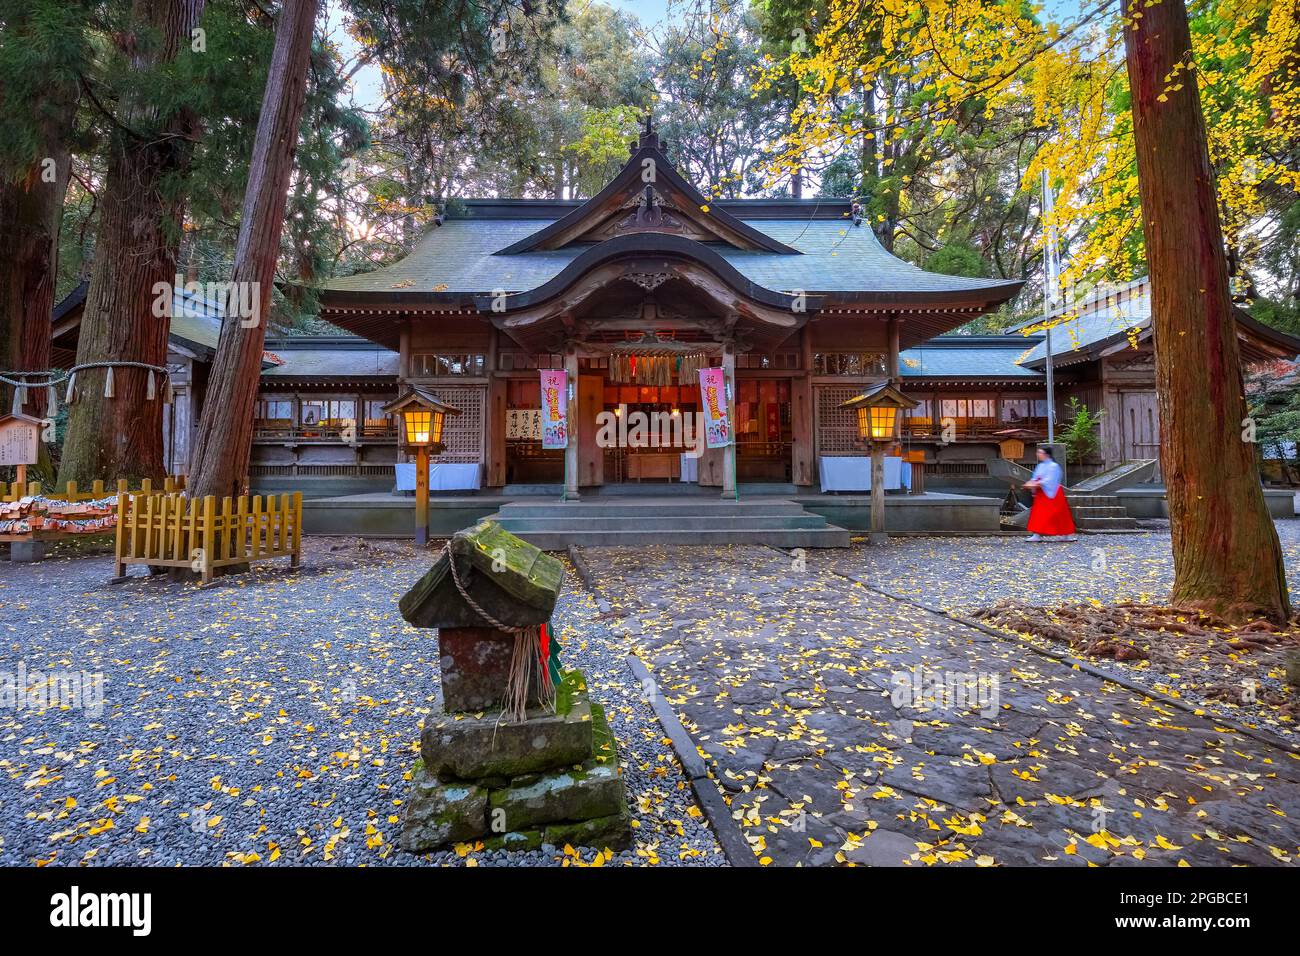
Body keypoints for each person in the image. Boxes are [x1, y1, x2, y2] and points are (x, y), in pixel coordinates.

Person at [1023, 446, 1077, 541]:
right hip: (1041, 492)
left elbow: (1051, 480)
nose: (1038, 454)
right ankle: (1037, 534)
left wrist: (1037, 483)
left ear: (1046, 454)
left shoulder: (1054, 466)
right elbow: (1035, 477)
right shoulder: (1040, 466)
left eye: (1040, 452)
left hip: (1053, 492)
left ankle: (1067, 534)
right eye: (1038, 452)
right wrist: (1031, 482)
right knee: (1038, 513)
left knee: (1059, 514)